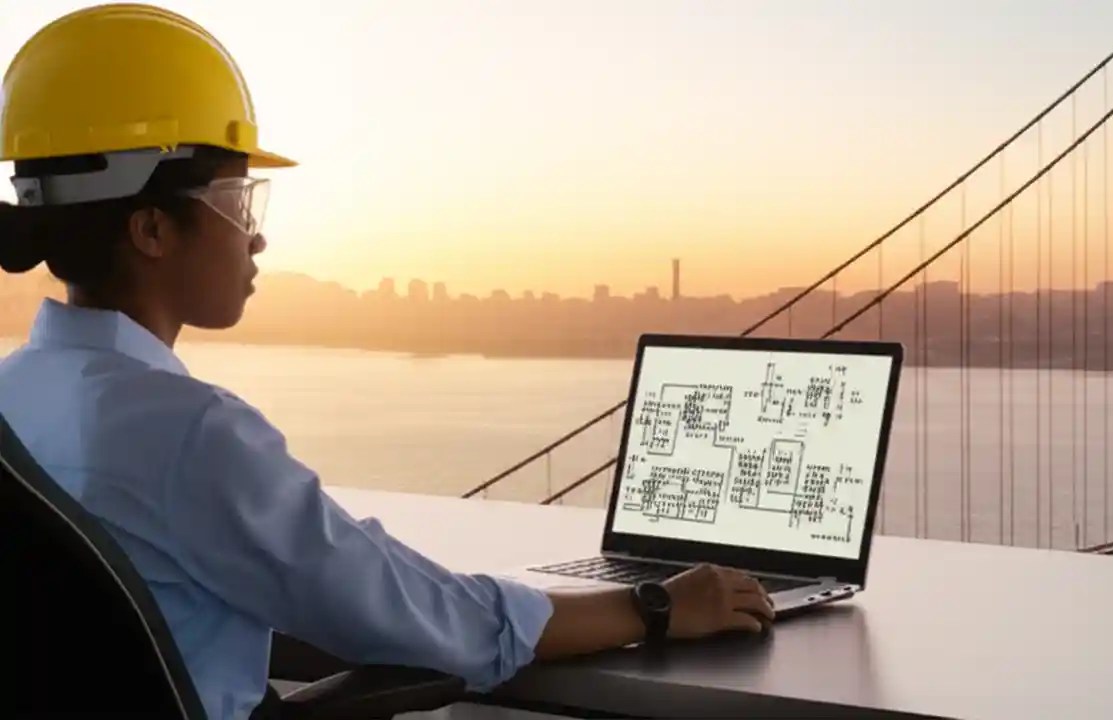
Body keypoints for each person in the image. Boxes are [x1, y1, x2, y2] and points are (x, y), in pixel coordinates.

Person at [0, 5, 774, 720]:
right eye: (238, 202)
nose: (256, 236)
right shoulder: (189, 434)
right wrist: (658, 606)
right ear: (151, 230)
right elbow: (431, 622)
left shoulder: (12, 400)